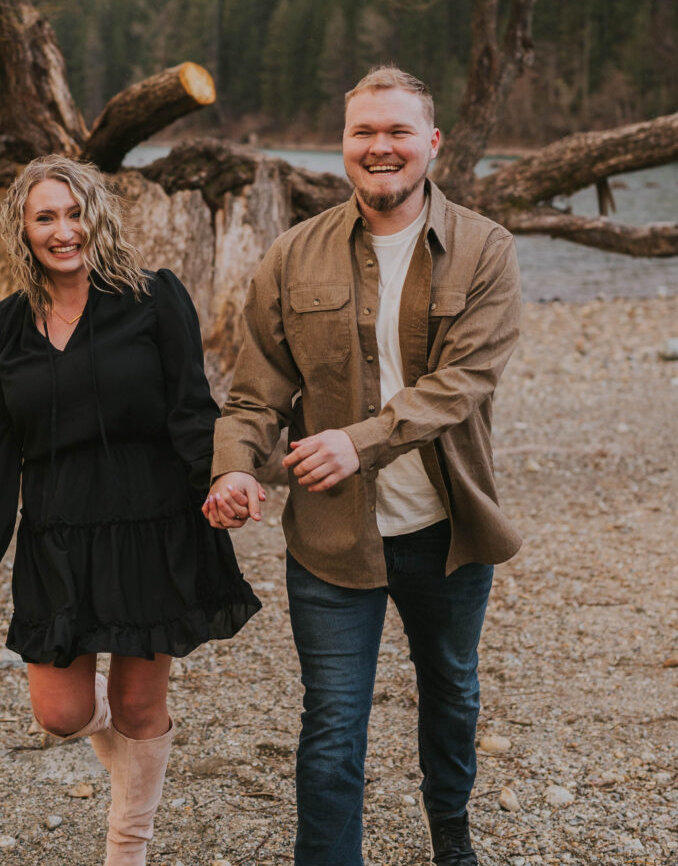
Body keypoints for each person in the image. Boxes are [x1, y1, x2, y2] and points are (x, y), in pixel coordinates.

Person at [203, 66, 522, 866]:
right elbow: (253, 396)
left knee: (451, 691)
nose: (380, 147)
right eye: (363, 133)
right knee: (332, 724)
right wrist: (234, 470)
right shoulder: (290, 256)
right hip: (331, 539)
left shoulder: (485, 249)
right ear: (342, 146)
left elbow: (462, 385)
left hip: (446, 532)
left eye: (398, 132)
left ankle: (449, 825)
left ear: (431, 144)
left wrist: (359, 440)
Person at [0, 154, 261, 866]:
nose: (65, 230)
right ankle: (133, 770)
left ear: (99, 215)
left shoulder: (154, 298)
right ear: (23, 232)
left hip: (151, 525)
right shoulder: (2, 328)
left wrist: (221, 479)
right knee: (59, 715)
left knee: (137, 707)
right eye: (46, 218)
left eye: (75, 212)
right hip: (57, 537)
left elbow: (191, 409)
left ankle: (129, 848)